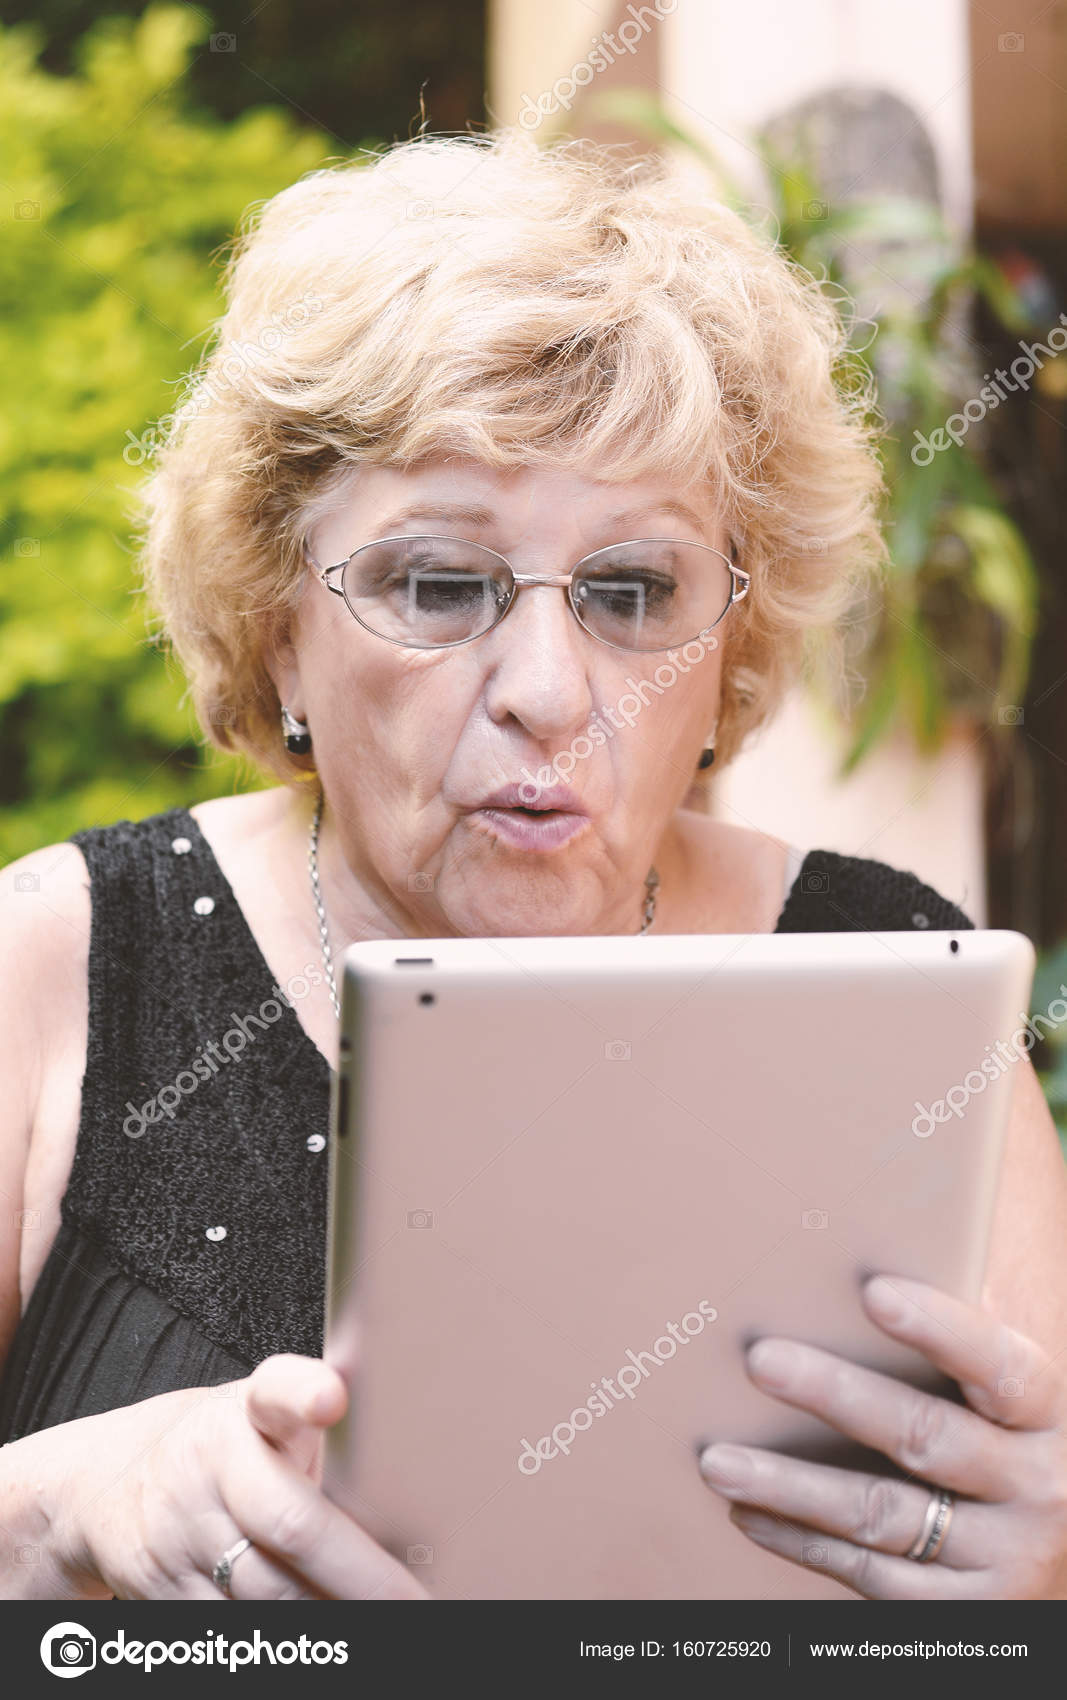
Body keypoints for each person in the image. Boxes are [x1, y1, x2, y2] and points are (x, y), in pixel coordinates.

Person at [2, 132, 1065, 1602]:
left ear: (734, 645)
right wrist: (57, 1507)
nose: (552, 690)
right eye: (441, 584)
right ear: (272, 620)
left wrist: (1032, 1596)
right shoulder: (54, 967)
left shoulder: (899, 992)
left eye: (635, 591)